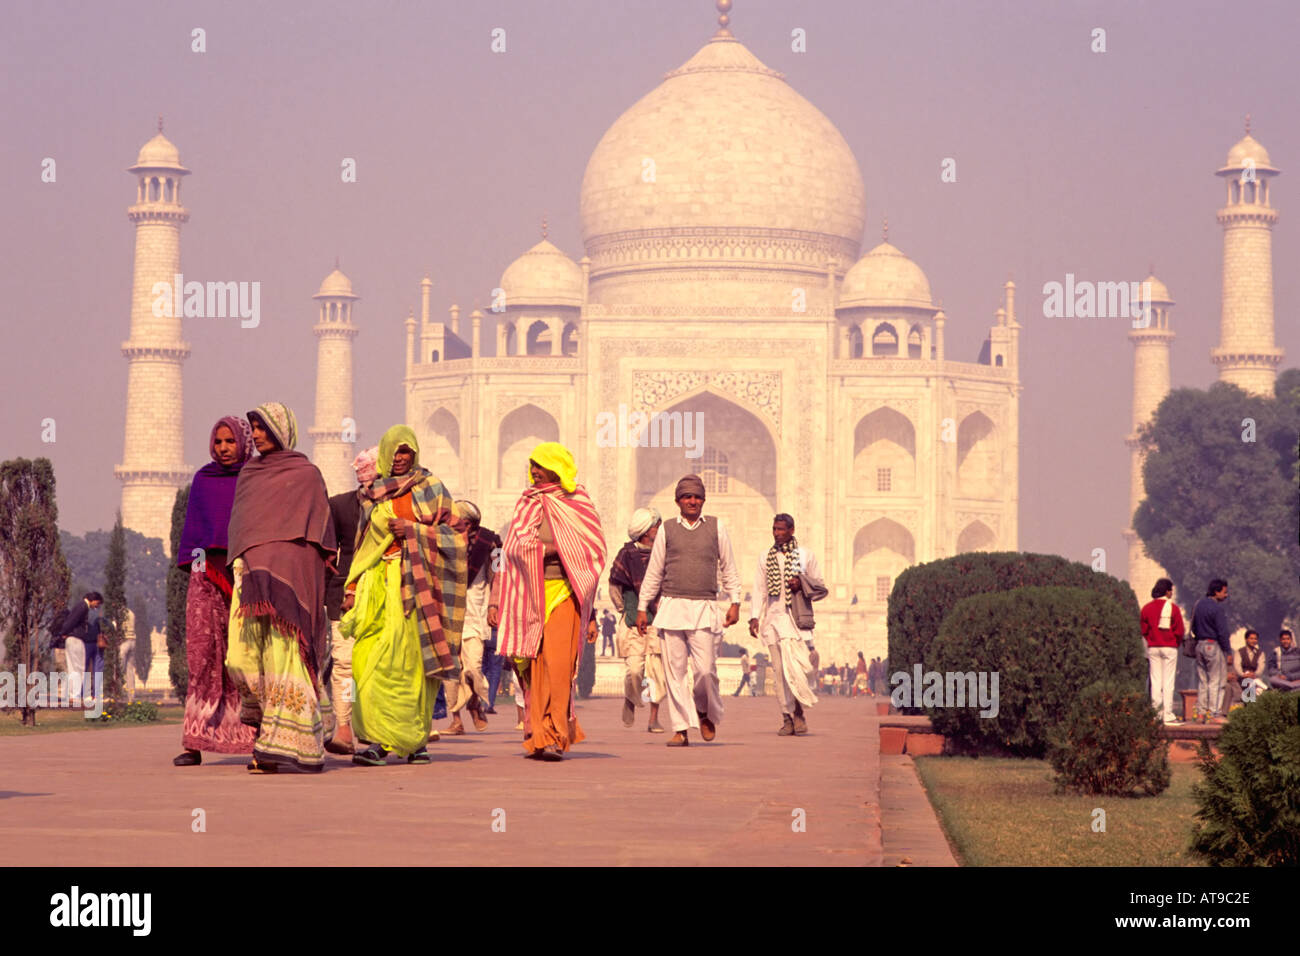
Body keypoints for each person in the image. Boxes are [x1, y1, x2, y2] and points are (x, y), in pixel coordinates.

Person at [342, 425, 467, 766]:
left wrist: (413, 530)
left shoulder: (431, 488)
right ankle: (383, 738)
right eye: (394, 452)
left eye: (405, 453)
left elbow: (458, 538)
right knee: (366, 660)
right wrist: (352, 587)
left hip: (418, 587)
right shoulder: (373, 494)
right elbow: (362, 545)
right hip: (378, 583)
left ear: (414, 455)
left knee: (411, 665)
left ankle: (409, 740)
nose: (398, 459)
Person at [225, 402, 337, 773]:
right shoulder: (250, 476)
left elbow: (320, 537)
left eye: (263, 428)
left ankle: (288, 748)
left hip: (293, 582)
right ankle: (268, 735)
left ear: (282, 431)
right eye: (253, 428)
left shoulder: (306, 474)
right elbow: (242, 531)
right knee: (242, 661)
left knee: (285, 660)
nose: (255, 435)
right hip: (253, 582)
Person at [490, 443, 606, 761]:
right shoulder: (528, 502)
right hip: (531, 593)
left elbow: (593, 549)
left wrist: (557, 550)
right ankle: (539, 737)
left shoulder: (578, 503)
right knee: (535, 667)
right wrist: (550, 550)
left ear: (556, 467)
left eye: (540, 466)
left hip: (565, 593)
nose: (534, 472)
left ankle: (556, 733)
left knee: (558, 666)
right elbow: (514, 547)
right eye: (532, 466)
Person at [173, 416, 260, 766]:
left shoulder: (254, 479)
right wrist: (199, 575)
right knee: (203, 657)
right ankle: (194, 741)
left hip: (245, 575)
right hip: (207, 576)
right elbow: (194, 531)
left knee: (244, 656)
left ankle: (254, 735)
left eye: (230, 442)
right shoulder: (203, 479)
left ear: (244, 443)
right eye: (218, 442)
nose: (223, 448)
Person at [637, 474, 741, 747]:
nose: (692, 501)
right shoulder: (667, 529)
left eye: (696, 497)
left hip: (704, 606)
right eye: (687, 497)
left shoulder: (716, 528)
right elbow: (655, 571)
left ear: (703, 500)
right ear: (678, 501)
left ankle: (704, 711)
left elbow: (728, 567)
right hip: (672, 606)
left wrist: (735, 601)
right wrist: (641, 607)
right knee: (675, 672)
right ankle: (681, 728)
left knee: (706, 670)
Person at [321, 446, 377, 756]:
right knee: (344, 664)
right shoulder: (340, 506)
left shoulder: (396, 506)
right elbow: (327, 552)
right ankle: (343, 727)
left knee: (376, 664)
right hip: (344, 595)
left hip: (386, 592)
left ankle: (372, 726)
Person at [748, 513, 825, 736]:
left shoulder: (805, 556)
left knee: (800, 669)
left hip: (796, 621)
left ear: (792, 530)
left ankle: (799, 711)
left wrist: (801, 583)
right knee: (779, 672)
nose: (777, 533)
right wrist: (754, 617)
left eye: (781, 529)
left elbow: (820, 586)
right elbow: (759, 589)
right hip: (773, 620)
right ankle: (787, 717)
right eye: (774, 529)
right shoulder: (765, 557)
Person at [610, 507, 666, 732]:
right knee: (634, 670)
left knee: (657, 673)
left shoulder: (664, 553)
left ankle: (654, 718)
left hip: (660, 620)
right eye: (656, 526)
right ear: (646, 530)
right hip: (634, 620)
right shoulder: (627, 555)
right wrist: (625, 609)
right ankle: (631, 698)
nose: (659, 530)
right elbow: (615, 586)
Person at [444, 499, 496, 735]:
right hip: (447, 608)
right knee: (450, 671)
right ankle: (455, 719)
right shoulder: (443, 540)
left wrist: (495, 603)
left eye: (462, 523)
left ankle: (475, 702)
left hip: (475, 610)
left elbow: (500, 572)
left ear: (472, 524)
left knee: (473, 667)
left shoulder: (490, 542)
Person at [1139, 577, 1185, 724]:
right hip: (1169, 647)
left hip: (1153, 647)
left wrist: (1152, 640)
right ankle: (1168, 714)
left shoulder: (1146, 608)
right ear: (1167, 591)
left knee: (1155, 681)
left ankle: (1156, 714)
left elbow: (1144, 630)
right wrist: (1175, 643)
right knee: (1168, 681)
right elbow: (1179, 631)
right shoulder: (1173, 608)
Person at [1190, 578, 1231, 722]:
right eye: (1224, 592)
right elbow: (1222, 632)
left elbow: (1193, 626)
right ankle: (1215, 714)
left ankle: (1200, 714)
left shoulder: (1198, 605)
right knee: (1217, 681)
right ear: (1216, 591)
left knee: (1203, 681)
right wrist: (1228, 651)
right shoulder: (1217, 608)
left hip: (1199, 645)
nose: (1226, 595)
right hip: (1213, 645)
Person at [60, 591, 103, 708]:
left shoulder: (82, 606)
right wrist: (64, 632)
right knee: (78, 668)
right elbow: (71, 621)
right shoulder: (83, 607)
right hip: (76, 639)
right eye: (97, 603)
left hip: (72, 639)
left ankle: (73, 695)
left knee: (73, 668)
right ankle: (76, 695)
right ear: (93, 600)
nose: (97, 606)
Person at [1226, 628, 1266, 707]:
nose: (1253, 641)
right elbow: (1237, 666)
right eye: (1251, 638)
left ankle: (1253, 707)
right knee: (1249, 682)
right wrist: (1243, 674)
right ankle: (1249, 707)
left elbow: (1261, 667)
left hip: (1255, 677)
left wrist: (1254, 674)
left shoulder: (1260, 653)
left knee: (1259, 688)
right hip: (1242, 678)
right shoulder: (1240, 652)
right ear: (1246, 639)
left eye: (1255, 639)